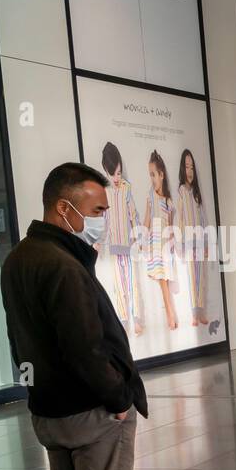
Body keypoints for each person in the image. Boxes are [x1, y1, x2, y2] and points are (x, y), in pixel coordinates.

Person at [0, 162, 168, 470]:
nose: (101, 220)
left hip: (50, 411)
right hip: (92, 413)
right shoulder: (62, 265)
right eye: (96, 210)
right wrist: (117, 399)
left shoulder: (22, 258)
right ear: (63, 206)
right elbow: (84, 346)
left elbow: (24, 340)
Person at [99, 142, 143, 337]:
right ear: (105, 171)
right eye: (113, 173)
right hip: (114, 245)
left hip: (129, 244)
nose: (117, 177)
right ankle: (124, 321)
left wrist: (138, 237)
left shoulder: (126, 188)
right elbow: (103, 219)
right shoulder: (104, 190)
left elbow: (133, 214)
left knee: (133, 284)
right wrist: (99, 242)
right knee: (119, 286)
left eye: (119, 172)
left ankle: (136, 320)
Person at [142, 150, 178, 330]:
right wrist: (142, 240)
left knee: (165, 280)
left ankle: (171, 314)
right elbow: (147, 220)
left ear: (162, 175)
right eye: (150, 175)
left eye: (154, 174)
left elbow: (170, 227)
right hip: (155, 244)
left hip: (165, 246)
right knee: (163, 281)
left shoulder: (168, 201)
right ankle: (170, 315)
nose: (152, 179)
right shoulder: (151, 197)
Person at [174, 148, 211, 326]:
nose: (189, 171)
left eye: (192, 167)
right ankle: (194, 314)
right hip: (188, 243)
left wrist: (206, 244)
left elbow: (203, 218)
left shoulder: (196, 193)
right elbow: (179, 218)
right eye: (187, 167)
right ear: (183, 169)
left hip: (199, 241)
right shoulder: (181, 190)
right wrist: (179, 244)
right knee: (192, 278)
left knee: (201, 278)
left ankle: (201, 312)